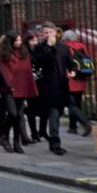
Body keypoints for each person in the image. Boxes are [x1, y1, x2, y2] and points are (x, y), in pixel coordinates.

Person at [31, 21, 71, 155]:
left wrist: (73, 71)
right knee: (53, 115)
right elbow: (37, 62)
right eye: (46, 33)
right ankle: (55, 143)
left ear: (55, 32)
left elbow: (70, 63)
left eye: (50, 32)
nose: (48, 35)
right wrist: (48, 46)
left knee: (57, 114)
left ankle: (44, 132)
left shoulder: (64, 47)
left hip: (62, 86)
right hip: (48, 87)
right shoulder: (40, 48)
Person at [0, 30, 35, 153]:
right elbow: (4, 70)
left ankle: (16, 142)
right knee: (13, 114)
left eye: (19, 40)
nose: (19, 42)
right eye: (16, 40)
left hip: (21, 87)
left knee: (18, 117)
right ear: (10, 41)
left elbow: (27, 70)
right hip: (7, 89)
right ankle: (4, 136)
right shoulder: (3, 54)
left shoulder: (24, 52)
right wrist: (10, 84)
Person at [62, 29, 93, 136]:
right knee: (76, 104)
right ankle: (72, 126)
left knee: (70, 104)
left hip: (71, 79)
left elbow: (65, 64)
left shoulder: (66, 48)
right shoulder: (82, 47)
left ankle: (85, 123)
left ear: (65, 39)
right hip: (81, 80)